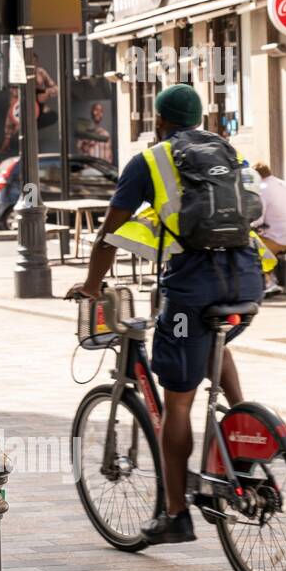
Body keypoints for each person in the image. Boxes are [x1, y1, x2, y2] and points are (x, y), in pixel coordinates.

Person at [64, 84, 266, 545]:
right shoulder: (225, 150)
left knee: (178, 403)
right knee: (214, 342)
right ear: (199, 119)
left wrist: (92, 286)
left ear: (159, 120)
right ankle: (243, 432)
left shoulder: (150, 161)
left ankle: (175, 514)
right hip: (246, 278)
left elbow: (109, 234)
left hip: (194, 286)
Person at [251, 162, 286, 296]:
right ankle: (271, 280)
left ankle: (269, 282)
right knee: (263, 241)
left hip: (282, 239)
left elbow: (258, 219)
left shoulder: (262, 188)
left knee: (253, 244)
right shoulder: (282, 184)